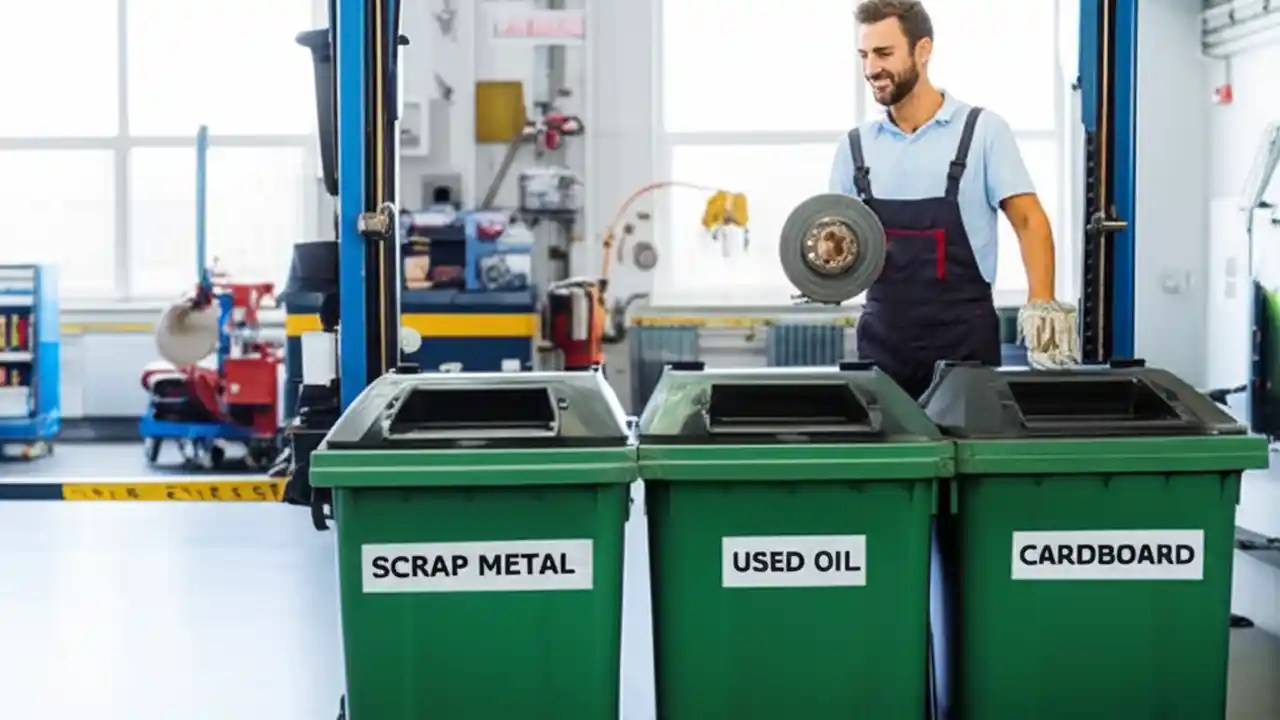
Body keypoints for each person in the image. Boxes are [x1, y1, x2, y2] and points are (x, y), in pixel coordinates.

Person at [831, 0, 1059, 399]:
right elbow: (834, 235)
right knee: (891, 458)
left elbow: (1029, 221)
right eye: (864, 55)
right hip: (883, 343)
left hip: (964, 342)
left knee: (971, 456)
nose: (870, 69)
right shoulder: (856, 147)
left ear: (923, 50)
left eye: (884, 53)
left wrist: (1041, 305)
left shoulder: (982, 132)